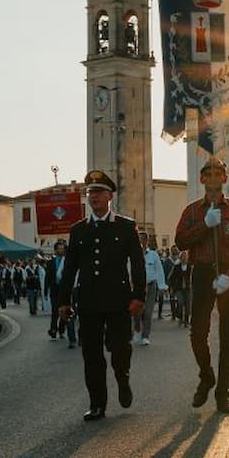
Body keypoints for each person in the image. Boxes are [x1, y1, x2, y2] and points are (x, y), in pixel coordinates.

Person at [57, 170, 145, 422]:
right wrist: (63, 301)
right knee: (91, 356)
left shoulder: (125, 227)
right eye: (90, 193)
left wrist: (139, 296)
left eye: (98, 192)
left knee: (119, 349)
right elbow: (70, 268)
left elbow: (137, 265)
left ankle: (123, 377)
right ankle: (97, 404)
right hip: (89, 302)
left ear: (109, 196)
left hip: (118, 300)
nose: (93, 197)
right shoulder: (78, 230)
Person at [174, 157, 229, 415]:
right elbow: (180, 241)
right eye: (208, 174)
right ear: (201, 179)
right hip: (201, 274)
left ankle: (223, 393)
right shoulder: (192, 211)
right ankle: (206, 375)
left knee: (227, 337)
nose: (212, 178)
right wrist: (203, 225)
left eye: (218, 173)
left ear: (224, 178)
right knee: (197, 333)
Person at [134, 237, 167, 345]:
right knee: (137, 312)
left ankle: (145, 336)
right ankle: (137, 332)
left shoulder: (153, 255)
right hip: (137, 287)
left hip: (151, 286)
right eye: (139, 241)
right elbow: (128, 268)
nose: (141, 243)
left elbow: (159, 270)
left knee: (148, 312)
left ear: (146, 242)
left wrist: (161, 286)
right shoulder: (133, 254)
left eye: (143, 240)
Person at [46, 242, 69, 339]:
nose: (61, 250)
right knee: (54, 311)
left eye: (62, 248)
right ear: (55, 250)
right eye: (59, 248)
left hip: (64, 290)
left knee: (64, 311)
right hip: (54, 289)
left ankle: (61, 329)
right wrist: (45, 289)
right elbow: (47, 276)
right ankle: (53, 330)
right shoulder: (50, 262)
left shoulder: (67, 261)